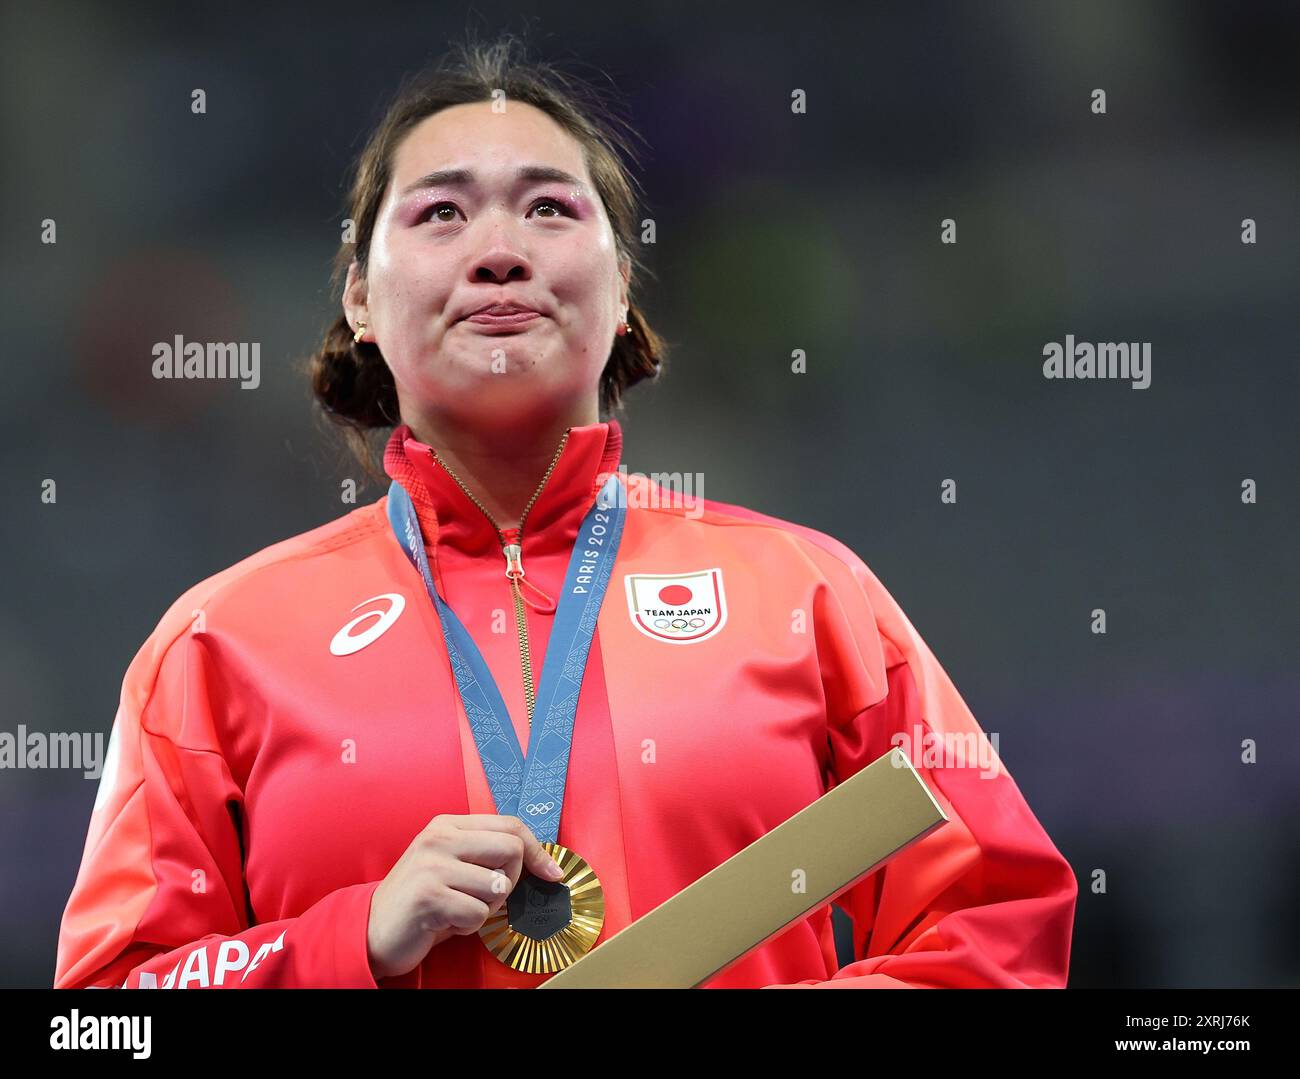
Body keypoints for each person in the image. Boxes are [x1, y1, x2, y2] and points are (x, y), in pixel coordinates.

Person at [54, 37, 1077, 989]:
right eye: (439, 213)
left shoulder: (810, 596)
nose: (498, 250)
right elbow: (105, 1014)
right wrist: (348, 938)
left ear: (623, 286)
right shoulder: (214, 646)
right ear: (360, 298)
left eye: (548, 208)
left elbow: (1000, 922)